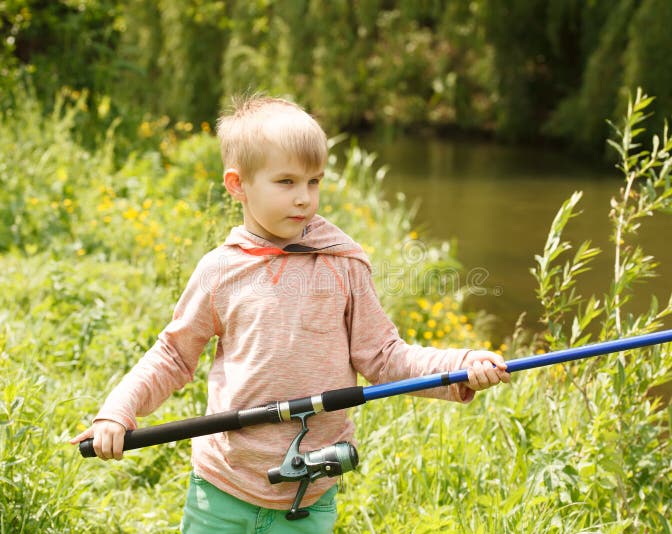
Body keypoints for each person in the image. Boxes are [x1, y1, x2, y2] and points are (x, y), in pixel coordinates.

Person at [71, 95, 510, 533]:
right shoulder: (220, 270)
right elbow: (172, 356)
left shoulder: (342, 263)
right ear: (237, 184)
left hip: (309, 495)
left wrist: (458, 368)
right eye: (286, 182)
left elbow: (384, 355)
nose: (304, 199)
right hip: (221, 487)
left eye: (314, 182)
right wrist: (118, 412)